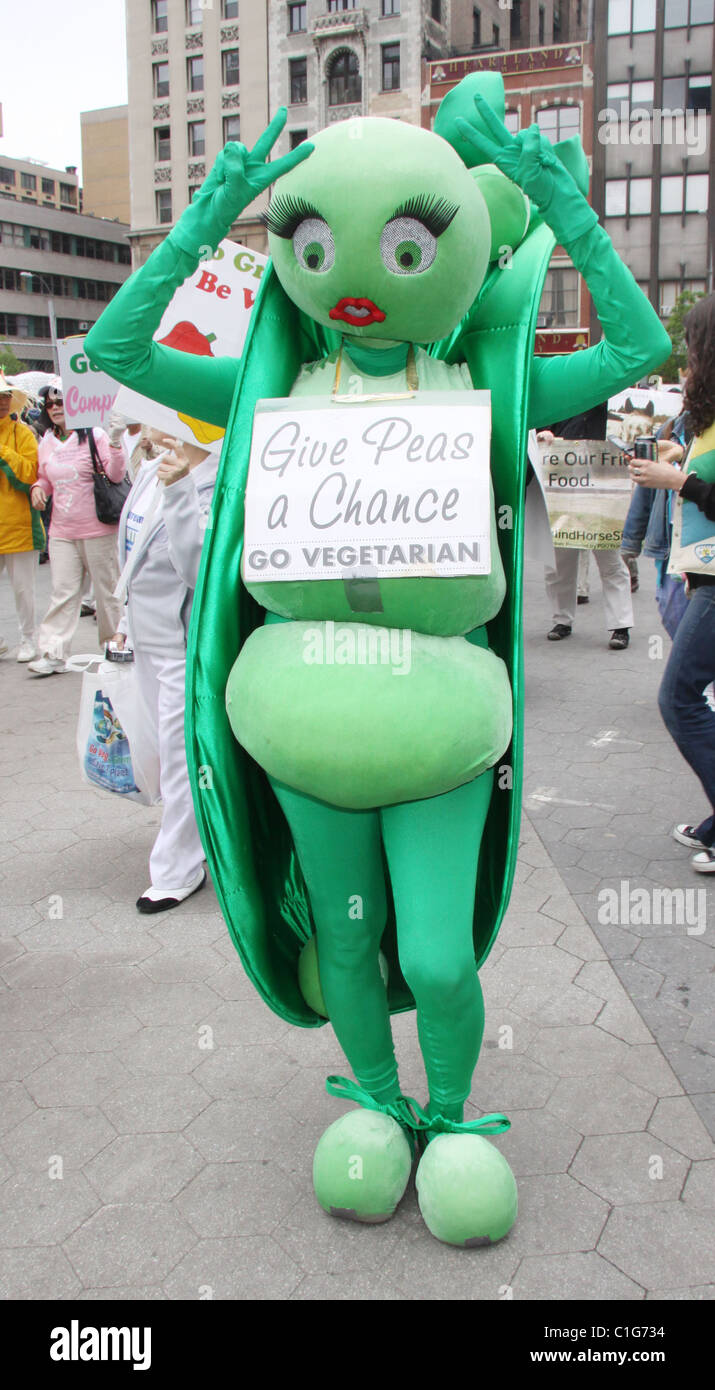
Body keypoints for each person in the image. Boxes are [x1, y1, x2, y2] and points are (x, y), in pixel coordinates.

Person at [85, 82, 670, 1243]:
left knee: (442, 953)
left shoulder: (488, 389)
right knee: (343, 935)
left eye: (406, 245)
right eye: (314, 241)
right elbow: (115, 348)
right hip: (306, 726)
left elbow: (637, 347)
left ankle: (450, 1115)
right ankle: (378, 1101)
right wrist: (206, 221)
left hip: (439, 725)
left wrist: (561, 200)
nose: (355, 277)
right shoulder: (267, 392)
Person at [111, 429, 217, 912]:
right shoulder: (151, 469)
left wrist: (178, 492)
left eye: (156, 420)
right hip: (143, 639)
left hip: (181, 647)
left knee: (179, 762)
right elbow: (129, 556)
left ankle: (176, 869)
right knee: (154, 753)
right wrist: (121, 622)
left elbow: (197, 569)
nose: (144, 432)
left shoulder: (216, 479)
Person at [628, 293, 715, 874]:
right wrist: (681, 460)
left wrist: (678, 478)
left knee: (678, 698)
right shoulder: (703, 419)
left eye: (691, 343)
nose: (686, 357)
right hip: (704, 573)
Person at [27, 383, 125, 676]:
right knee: (63, 592)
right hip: (62, 531)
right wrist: (37, 488)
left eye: (61, 402)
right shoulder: (46, 441)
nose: (55, 408)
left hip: (98, 529)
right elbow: (45, 477)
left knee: (107, 594)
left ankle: (113, 647)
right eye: (49, 405)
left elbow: (116, 474)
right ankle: (53, 652)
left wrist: (117, 442)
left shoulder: (96, 435)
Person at [541, 402, 634, 649]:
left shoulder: (597, 391)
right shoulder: (555, 398)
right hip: (561, 485)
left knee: (609, 558)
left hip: (597, 485)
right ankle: (562, 620)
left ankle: (620, 625)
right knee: (560, 561)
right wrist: (542, 436)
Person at [620, 411, 693, 638]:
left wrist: (679, 475)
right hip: (670, 542)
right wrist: (631, 539)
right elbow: (646, 487)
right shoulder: (673, 428)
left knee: (692, 643)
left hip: (702, 544)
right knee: (672, 614)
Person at [0, 372, 43, 661]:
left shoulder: (23, 434)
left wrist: (3, 452)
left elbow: (31, 474)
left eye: (5, 397)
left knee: (23, 591)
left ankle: (29, 639)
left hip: (20, 527)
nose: (2, 402)